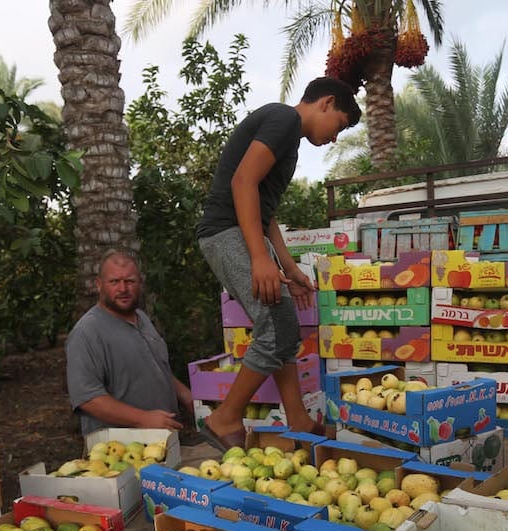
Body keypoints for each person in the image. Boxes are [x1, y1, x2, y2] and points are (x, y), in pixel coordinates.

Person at [195, 76, 361, 450]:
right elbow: (242, 183)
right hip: (226, 232)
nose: (335, 137)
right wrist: (258, 258)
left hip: (243, 233)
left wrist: (287, 266)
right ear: (326, 103)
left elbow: (265, 212)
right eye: (340, 125)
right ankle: (224, 418)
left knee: (285, 324)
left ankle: (299, 419)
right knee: (273, 327)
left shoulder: (289, 138)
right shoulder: (283, 119)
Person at [66, 247, 193, 438]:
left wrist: (187, 397)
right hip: (121, 452)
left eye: (130, 281)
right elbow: (88, 398)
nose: (123, 289)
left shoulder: (141, 318)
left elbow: (156, 367)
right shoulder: (87, 333)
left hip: (164, 442)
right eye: (114, 282)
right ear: (99, 284)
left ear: (140, 283)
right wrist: (142, 419)